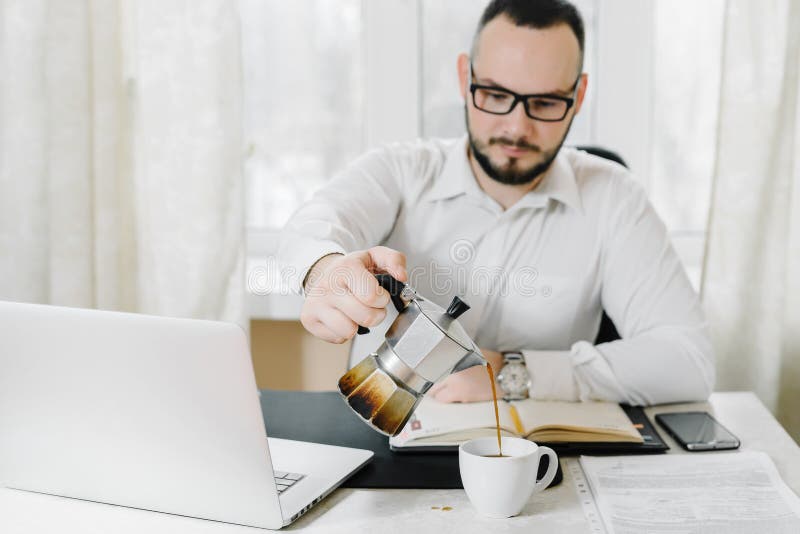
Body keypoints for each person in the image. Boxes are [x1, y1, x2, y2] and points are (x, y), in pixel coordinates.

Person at [277, 0, 714, 407]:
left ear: (578, 97)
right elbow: (310, 227)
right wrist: (326, 270)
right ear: (466, 78)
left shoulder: (614, 198)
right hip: (384, 437)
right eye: (496, 95)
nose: (516, 127)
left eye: (545, 103)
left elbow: (688, 362)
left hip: (533, 457)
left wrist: (512, 371)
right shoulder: (401, 170)